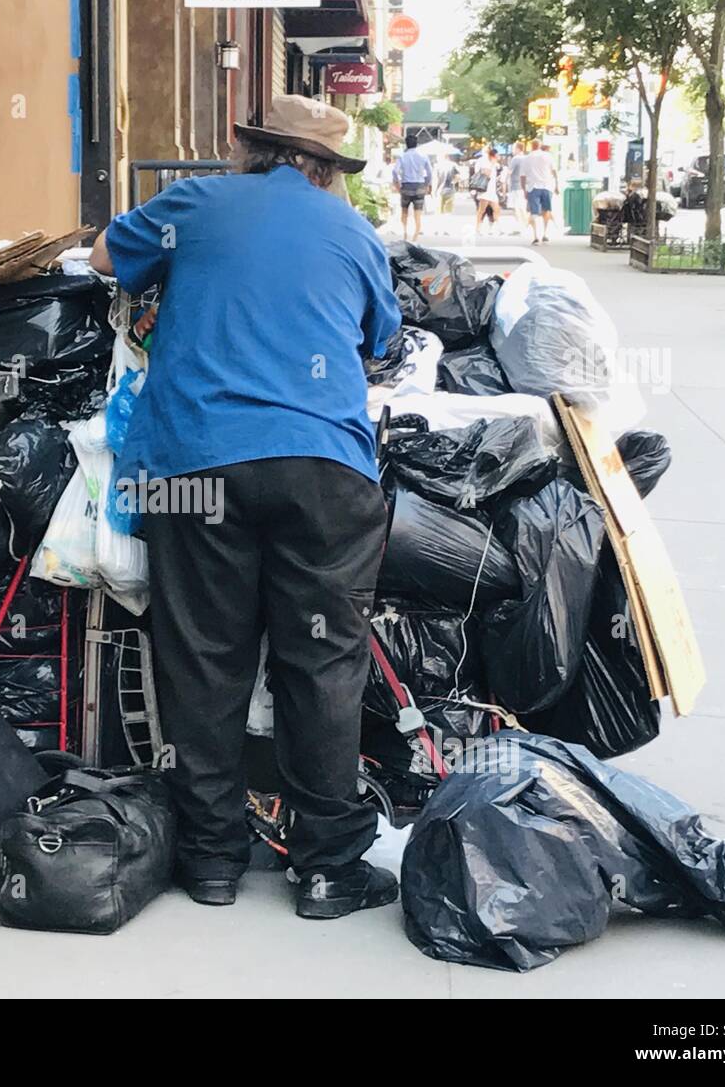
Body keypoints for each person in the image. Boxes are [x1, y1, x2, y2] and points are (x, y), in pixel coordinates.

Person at [89, 94, 402, 919]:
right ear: (327, 170)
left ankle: (212, 862)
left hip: (194, 465)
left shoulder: (193, 202)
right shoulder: (354, 232)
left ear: (247, 150)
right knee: (322, 661)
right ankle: (329, 866)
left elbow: (97, 259)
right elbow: (379, 339)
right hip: (323, 471)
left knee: (203, 660)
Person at [392, 133, 433, 241]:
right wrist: (427, 184)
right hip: (419, 186)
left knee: (404, 211)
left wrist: (397, 183)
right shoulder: (423, 156)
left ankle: (405, 233)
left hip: (406, 186)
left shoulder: (402, 156)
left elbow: (395, 171)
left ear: (406, 144)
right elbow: (430, 173)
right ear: (416, 144)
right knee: (418, 213)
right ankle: (415, 236)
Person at [522, 138, 559, 244]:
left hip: (533, 187)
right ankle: (545, 234)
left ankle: (536, 236)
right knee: (546, 210)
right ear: (540, 145)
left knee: (534, 212)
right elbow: (554, 171)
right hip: (547, 186)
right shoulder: (548, 156)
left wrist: (524, 189)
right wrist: (556, 185)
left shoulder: (527, 158)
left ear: (532, 146)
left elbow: (523, 176)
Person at [474, 145, 502, 235]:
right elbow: (485, 173)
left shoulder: (494, 163)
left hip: (492, 191)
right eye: (497, 156)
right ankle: (478, 228)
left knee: (496, 209)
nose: (498, 158)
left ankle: (497, 227)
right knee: (482, 209)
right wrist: (492, 165)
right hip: (485, 190)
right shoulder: (484, 162)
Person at [507, 141, 528, 232]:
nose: (513, 151)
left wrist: (504, 179)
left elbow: (509, 172)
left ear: (518, 149)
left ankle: (519, 226)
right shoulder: (527, 158)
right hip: (525, 186)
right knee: (522, 207)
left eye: (514, 148)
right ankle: (526, 225)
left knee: (516, 208)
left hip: (515, 185)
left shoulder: (515, 159)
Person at [433, 151, 457, 220]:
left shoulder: (437, 166)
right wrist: (453, 182)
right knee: (448, 212)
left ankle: (440, 229)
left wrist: (434, 191)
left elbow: (435, 180)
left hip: (439, 190)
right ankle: (446, 228)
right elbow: (458, 176)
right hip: (450, 190)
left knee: (439, 211)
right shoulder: (453, 165)